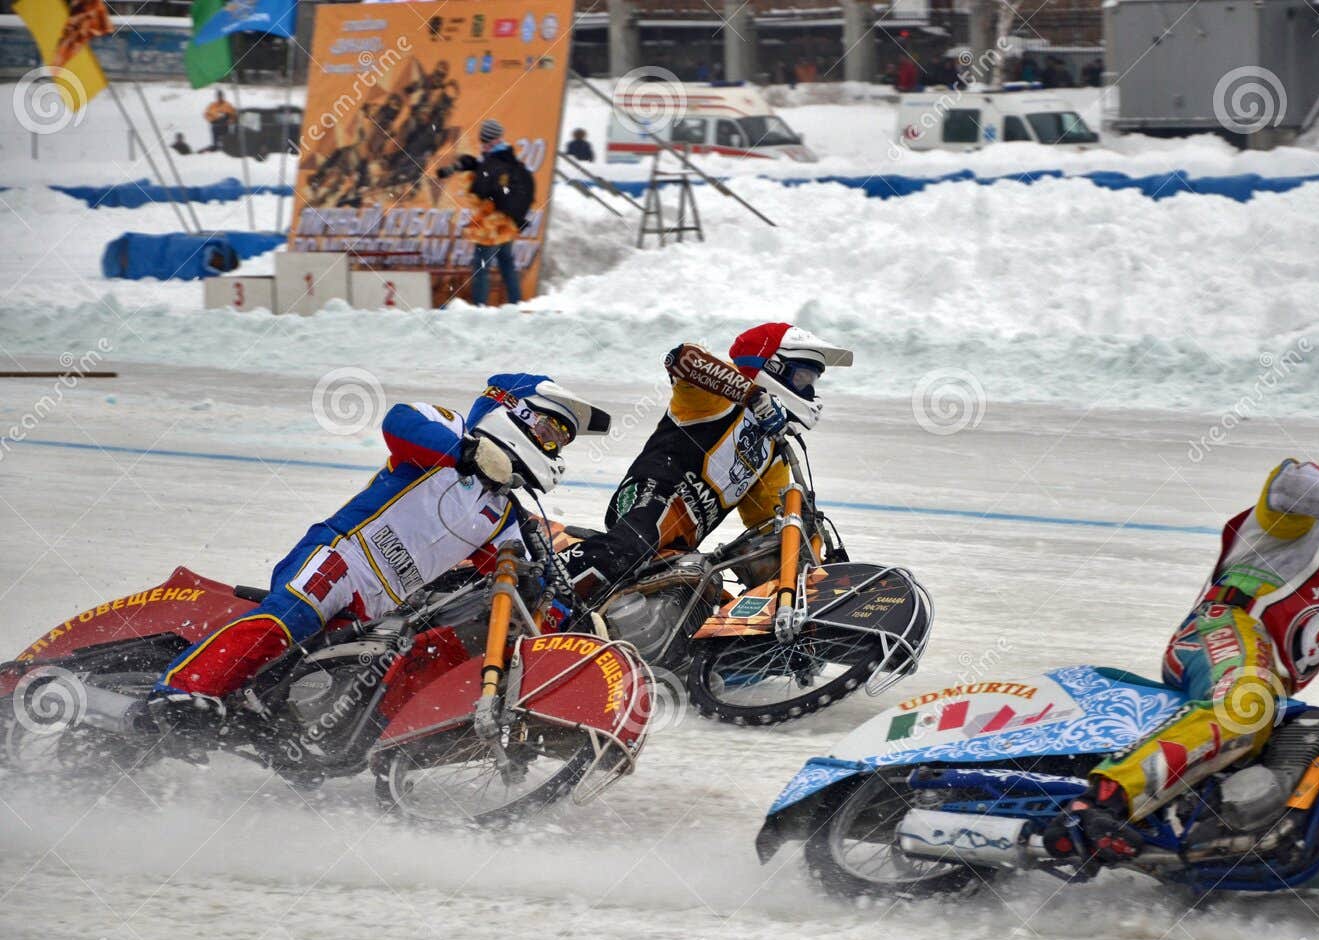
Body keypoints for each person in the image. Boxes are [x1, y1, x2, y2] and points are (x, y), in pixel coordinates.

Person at [1047, 432, 1319, 864]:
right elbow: (1289, 483)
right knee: (1248, 703)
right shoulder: (1301, 520)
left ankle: (1234, 847)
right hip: (1219, 630)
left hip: (1270, 695)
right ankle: (1100, 803)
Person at [151, 376, 610, 723]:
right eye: (550, 431)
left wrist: (568, 613)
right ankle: (178, 690)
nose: (553, 446)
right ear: (513, 410)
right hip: (342, 558)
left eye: (561, 442)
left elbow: (517, 574)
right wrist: (466, 452)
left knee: (358, 676)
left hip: (379, 604)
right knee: (291, 617)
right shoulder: (451, 428)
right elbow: (399, 422)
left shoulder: (503, 513)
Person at [553, 323, 852, 616]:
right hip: (651, 495)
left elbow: (769, 524)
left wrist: (810, 552)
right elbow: (682, 358)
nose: (809, 389)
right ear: (772, 368)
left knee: (706, 597)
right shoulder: (716, 396)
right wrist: (753, 395)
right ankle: (548, 583)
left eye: (812, 380)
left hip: (681, 544)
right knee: (633, 544)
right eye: (803, 377)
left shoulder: (773, 453)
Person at [440, 119, 536, 306]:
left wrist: (469, 176)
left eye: (485, 141)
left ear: (490, 140)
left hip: (490, 226)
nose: (483, 144)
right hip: (507, 223)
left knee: (481, 266)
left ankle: (479, 307)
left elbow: (478, 195)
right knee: (506, 264)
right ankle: (516, 304)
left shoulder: (492, 162)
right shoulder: (508, 159)